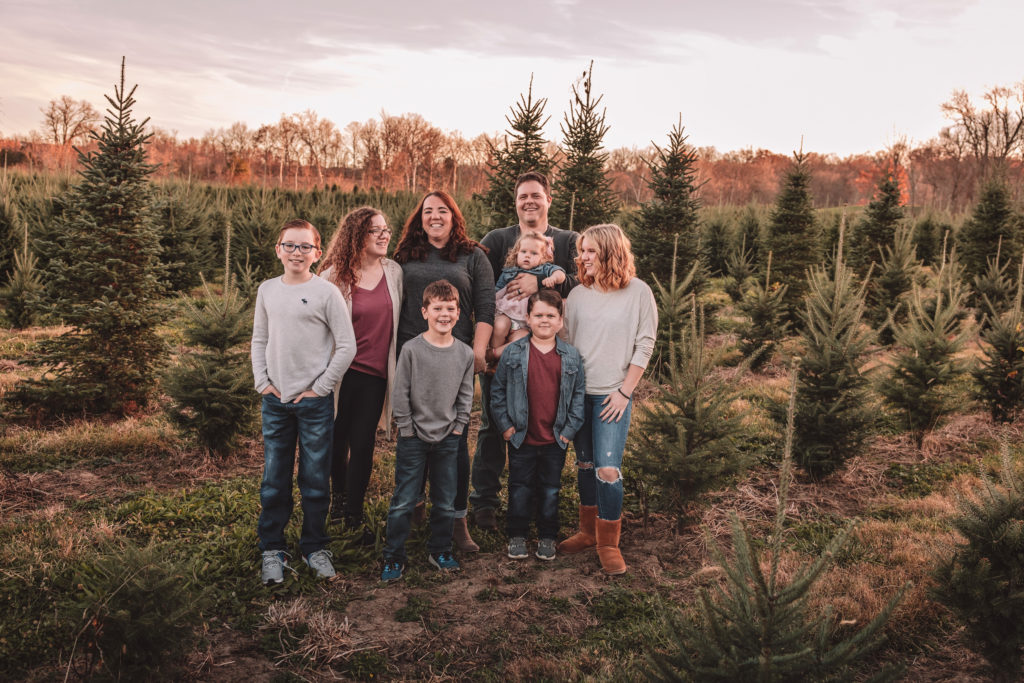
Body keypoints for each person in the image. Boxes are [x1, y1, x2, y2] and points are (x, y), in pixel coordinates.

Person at [252, 219, 357, 585]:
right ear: (278, 249)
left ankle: (314, 546)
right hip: (275, 401)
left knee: (314, 479)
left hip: (314, 403)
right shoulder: (267, 290)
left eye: (305, 246)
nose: (297, 253)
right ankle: (272, 548)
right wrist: (262, 383)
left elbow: (347, 346)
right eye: (290, 245)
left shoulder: (326, 293)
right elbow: (258, 339)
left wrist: (322, 387)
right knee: (274, 479)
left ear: (317, 251)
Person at [472, 171, 578, 530]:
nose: (529, 202)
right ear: (515, 203)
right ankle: (483, 502)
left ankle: (534, 503)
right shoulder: (498, 240)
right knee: (492, 424)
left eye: (536, 195)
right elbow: (481, 288)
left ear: (549, 199)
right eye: (522, 197)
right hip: (503, 352)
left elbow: (583, 282)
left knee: (537, 426)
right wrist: (486, 345)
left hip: (547, 355)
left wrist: (541, 282)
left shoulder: (567, 242)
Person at [393, 191, 494, 552]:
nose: (435, 216)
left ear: (454, 216)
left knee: (455, 440)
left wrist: (478, 353)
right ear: (420, 218)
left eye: (442, 211)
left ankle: (456, 520)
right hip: (412, 355)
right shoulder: (404, 256)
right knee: (412, 435)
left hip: (456, 358)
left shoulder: (473, 256)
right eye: (427, 211)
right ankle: (414, 508)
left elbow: (485, 308)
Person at [559, 223, 657, 575]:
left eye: (589, 251)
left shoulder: (638, 292)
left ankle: (608, 542)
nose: (581, 257)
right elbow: (567, 343)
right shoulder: (579, 296)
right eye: (581, 251)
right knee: (584, 465)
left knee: (608, 469)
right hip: (578, 396)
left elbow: (645, 343)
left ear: (610, 252)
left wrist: (624, 391)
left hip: (613, 396)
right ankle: (587, 531)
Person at [318, 207, 402, 545]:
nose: (384, 235)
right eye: (375, 231)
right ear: (357, 236)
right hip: (340, 373)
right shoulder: (334, 276)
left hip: (375, 374)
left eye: (386, 229)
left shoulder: (394, 272)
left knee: (364, 443)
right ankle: (337, 501)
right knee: (337, 440)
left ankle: (354, 512)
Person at [381, 280, 475, 581]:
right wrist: (406, 429)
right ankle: (393, 557)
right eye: (437, 308)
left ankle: (440, 550)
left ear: (458, 313)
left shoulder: (465, 354)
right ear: (425, 312)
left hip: (448, 438)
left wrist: (459, 426)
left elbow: (465, 395)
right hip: (414, 438)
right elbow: (400, 392)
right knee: (405, 499)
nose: (444, 314)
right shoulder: (412, 350)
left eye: (450, 308)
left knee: (445, 499)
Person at [490, 289, 585, 561]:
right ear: (528, 319)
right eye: (539, 315)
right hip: (521, 437)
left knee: (550, 489)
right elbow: (497, 392)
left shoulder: (570, 356)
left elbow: (578, 396)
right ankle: (517, 534)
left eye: (551, 315)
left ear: (560, 321)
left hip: (555, 439)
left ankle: (547, 536)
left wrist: (568, 433)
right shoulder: (514, 353)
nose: (545, 320)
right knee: (519, 487)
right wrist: (506, 427)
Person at [489, 233, 566, 353]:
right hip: (506, 313)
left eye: (534, 253)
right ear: (517, 253)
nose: (527, 256)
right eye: (523, 251)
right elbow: (497, 291)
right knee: (499, 326)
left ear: (544, 257)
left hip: (527, 322)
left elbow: (561, 274)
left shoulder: (544, 269)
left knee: (523, 340)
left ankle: (498, 358)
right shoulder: (508, 272)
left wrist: (553, 278)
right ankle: (491, 359)